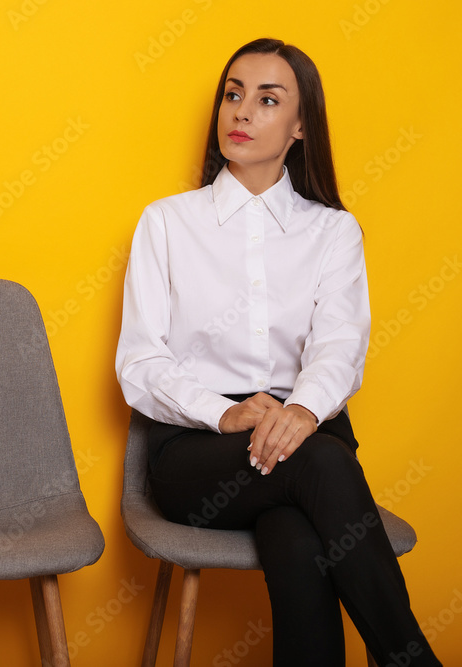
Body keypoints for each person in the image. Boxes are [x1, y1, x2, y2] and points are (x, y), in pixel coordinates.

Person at [115, 38, 441, 666]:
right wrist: (225, 412)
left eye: (267, 100)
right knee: (315, 468)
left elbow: (341, 345)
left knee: (296, 542)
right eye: (233, 94)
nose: (241, 111)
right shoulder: (167, 222)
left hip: (307, 429)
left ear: (299, 126)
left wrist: (302, 411)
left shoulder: (332, 231)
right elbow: (140, 362)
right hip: (200, 452)